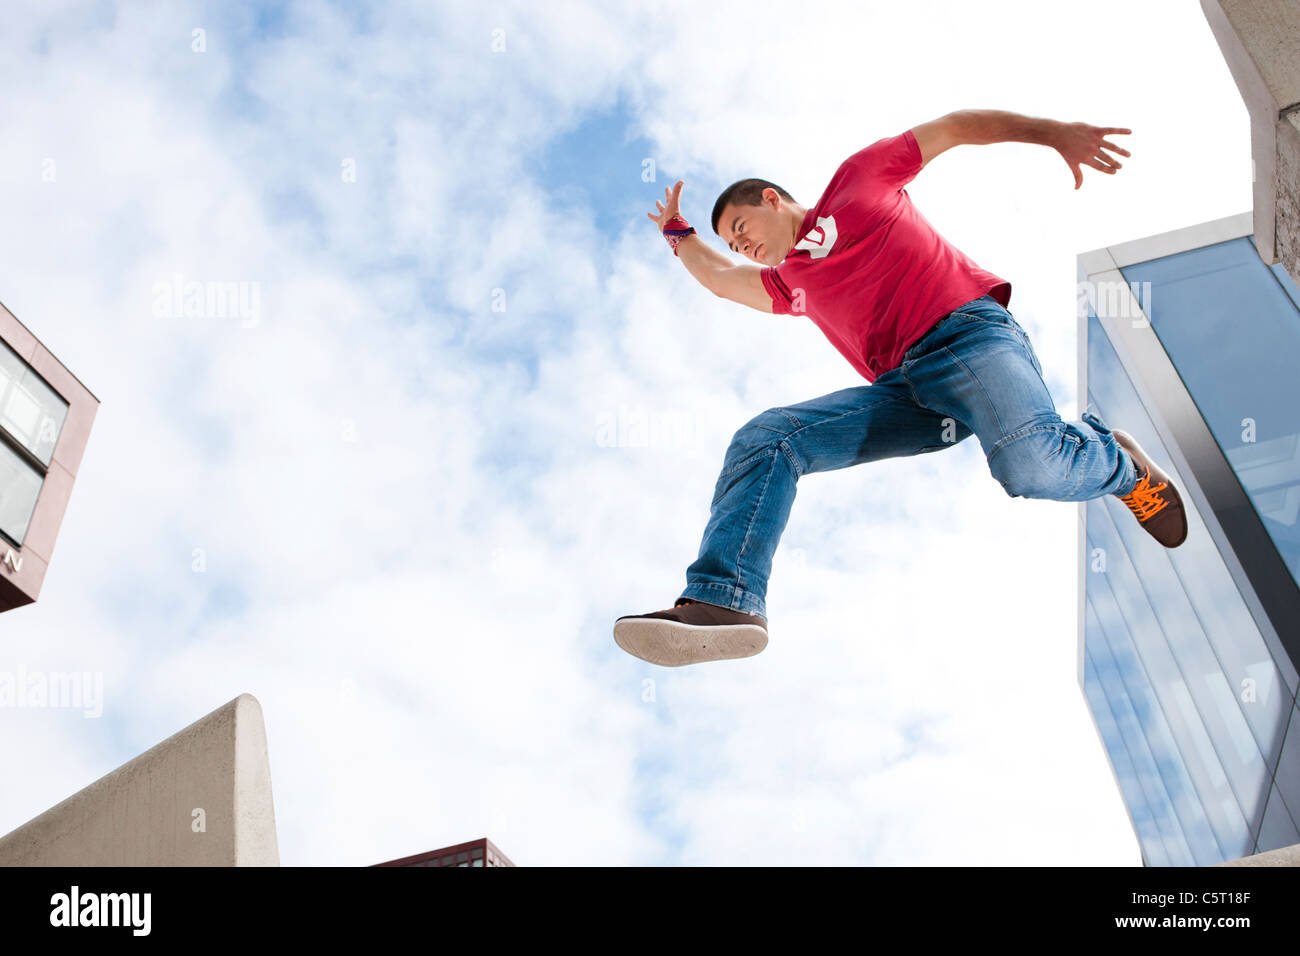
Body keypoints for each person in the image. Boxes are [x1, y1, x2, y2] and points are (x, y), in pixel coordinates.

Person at [614, 109, 1187, 668]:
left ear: (770, 199)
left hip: (970, 340)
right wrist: (677, 233)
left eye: (742, 231)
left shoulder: (857, 183)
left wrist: (1053, 134)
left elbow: (955, 129)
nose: (744, 249)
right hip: (909, 393)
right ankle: (725, 601)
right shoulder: (791, 284)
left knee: (1030, 469)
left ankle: (1120, 465)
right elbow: (718, 279)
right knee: (767, 439)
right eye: (737, 246)